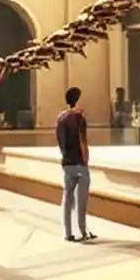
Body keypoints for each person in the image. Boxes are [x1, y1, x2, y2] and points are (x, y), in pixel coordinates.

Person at [56, 87, 95, 242]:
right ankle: (82, 231)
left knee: (67, 198)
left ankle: (67, 232)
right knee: (81, 200)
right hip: (79, 162)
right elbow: (82, 139)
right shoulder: (79, 117)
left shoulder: (60, 118)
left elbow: (59, 140)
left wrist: (65, 156)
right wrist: (85, 159)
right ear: (77, 100)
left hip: (67, 162)